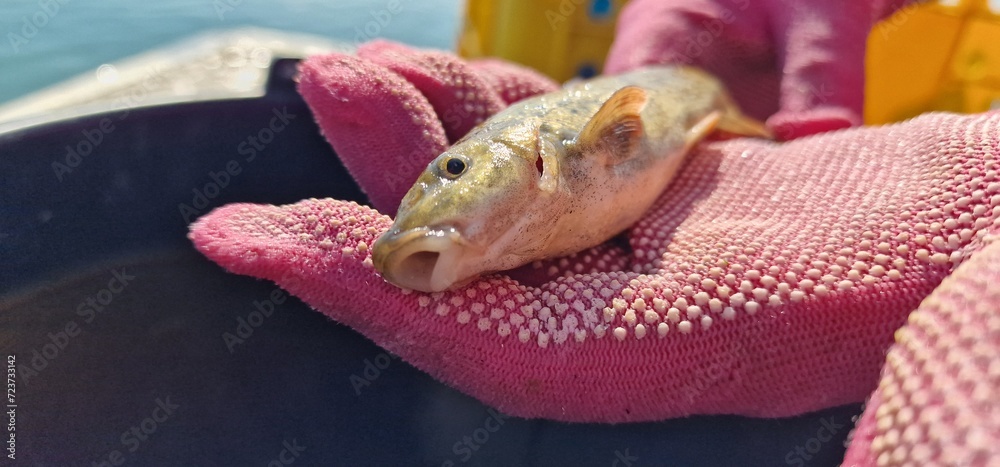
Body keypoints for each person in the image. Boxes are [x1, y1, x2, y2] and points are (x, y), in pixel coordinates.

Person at [191, 1, 1000, 464]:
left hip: (858, 142)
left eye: (452, 174)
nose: (433, 202)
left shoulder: (570, 147)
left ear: (537, 157)